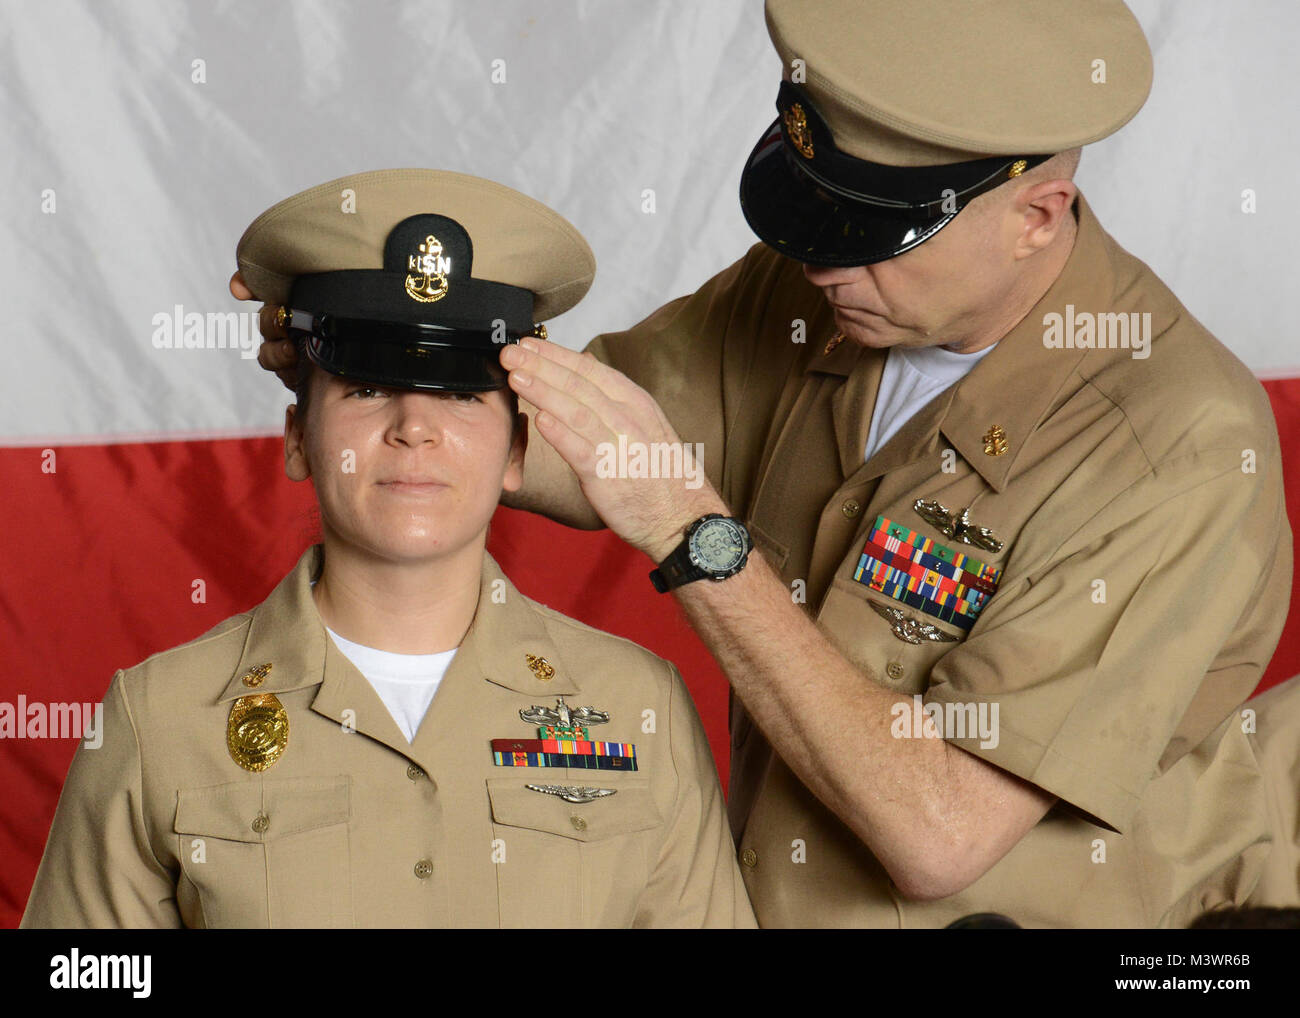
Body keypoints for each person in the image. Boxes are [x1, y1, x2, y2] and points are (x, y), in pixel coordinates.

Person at [244, 2, 1297, 927]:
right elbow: (586, 444)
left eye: (875, 230)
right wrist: (375, 351)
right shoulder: (825, 298)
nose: (820, 260)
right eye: (816, 210)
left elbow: (940, 831)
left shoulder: (1174, 447)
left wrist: (699, 543)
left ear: (1034, 216)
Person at [20, 169, 755, 929]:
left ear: (517, 454)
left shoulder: (639, 710)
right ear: (298, 439)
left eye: (461, 394)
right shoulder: (158, 720)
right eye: (367, 388)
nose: (413, 426)